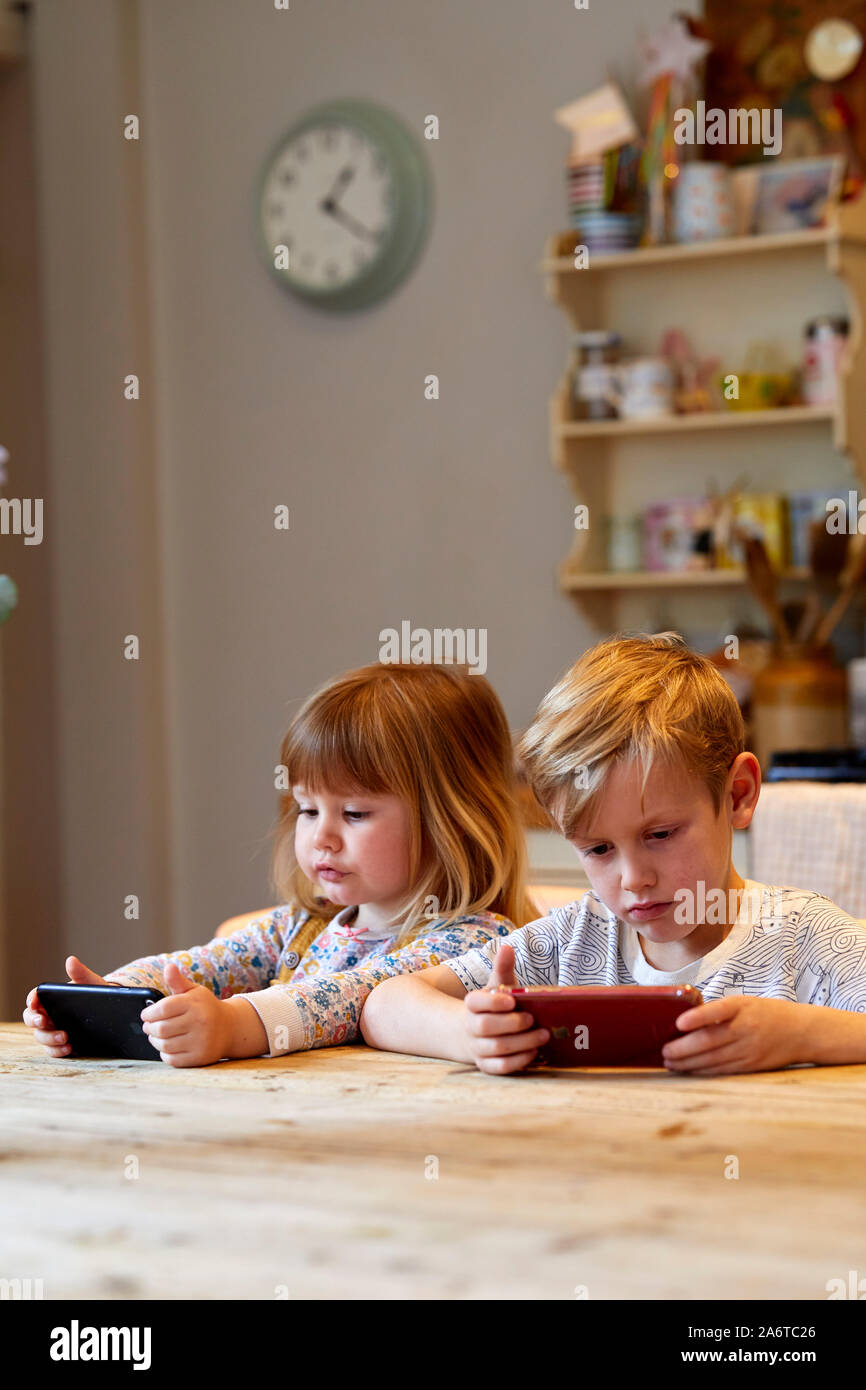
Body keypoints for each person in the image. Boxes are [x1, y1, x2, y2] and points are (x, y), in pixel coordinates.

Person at [360, 632, 866, 1076]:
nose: (634, 879)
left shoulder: (807, 939)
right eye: (599, 848)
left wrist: (803, 1034)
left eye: (661, 834)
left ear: (737, 794)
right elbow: (384, 1004)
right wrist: (470, 1034)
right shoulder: (572, 943)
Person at [24, 662, 536, 1067]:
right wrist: (113, 995)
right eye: (308, 810)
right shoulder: (303, 925)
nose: (322, 837)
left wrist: (229, 1027)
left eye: (355, 813)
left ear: (455, 819)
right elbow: (207, 964)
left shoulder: (474, 942)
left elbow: (346, 998)